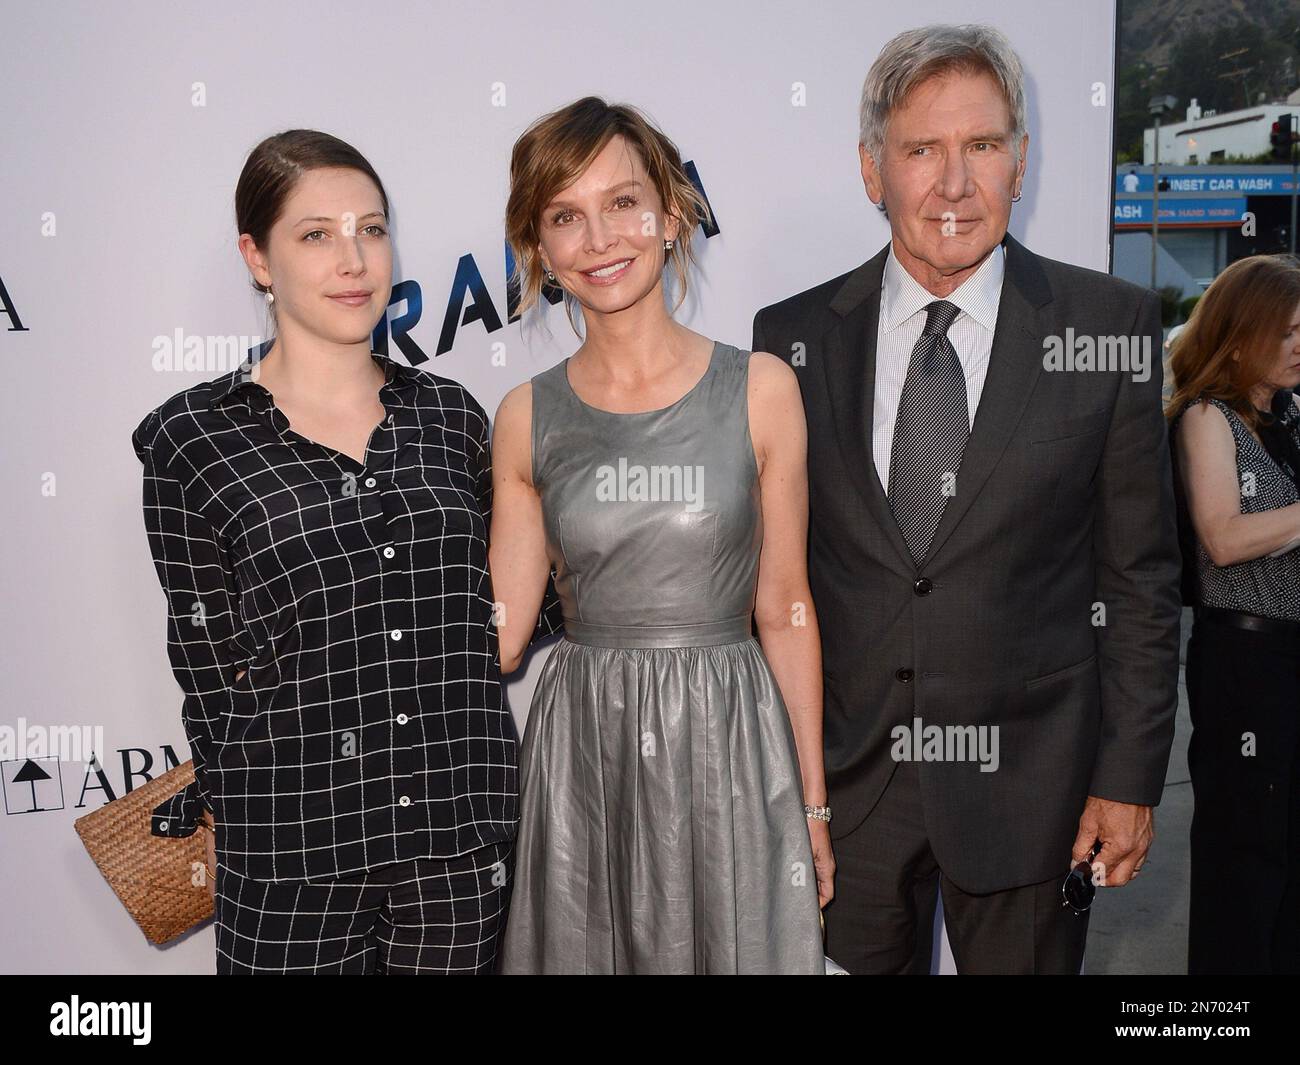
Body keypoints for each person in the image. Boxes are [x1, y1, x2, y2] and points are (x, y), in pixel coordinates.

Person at [752, 23, 1182, 974]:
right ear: (873, 170)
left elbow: (1141, 578)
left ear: (1020, 163)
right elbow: (781, 577)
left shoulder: (1106, 327)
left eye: (982, 146)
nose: (955, 183)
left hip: (1036, 794)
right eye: (921, 150)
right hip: (848, 792)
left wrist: (1127, 778)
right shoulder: (788, 338)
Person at [133, 129, 559, 973]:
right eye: (316, 234)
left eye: (371, 228)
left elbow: (513, 604)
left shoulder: (453, 416)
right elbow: (208, 666)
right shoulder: (192, 439)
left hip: (454, 844)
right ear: (258, 258)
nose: (353, 258)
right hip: (291, 854)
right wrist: (251, 823)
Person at [489, 97, 831, 974]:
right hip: (583, 755)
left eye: (624, 203)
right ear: (540, 249)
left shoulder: (760, 388)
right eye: (566, 215)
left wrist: (814, 810)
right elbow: (501, 630)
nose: (600, 237)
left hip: (730, 741)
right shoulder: (524, 417)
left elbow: (786, 606)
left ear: (672, 215)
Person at [1167, 254, 1300, 974]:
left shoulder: (1289, 416)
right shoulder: (1205, 418)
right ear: (1242, 334)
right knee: (1244, 856)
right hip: (1245, 665)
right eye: (1288, 332)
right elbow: (1221, 538)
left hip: (1289, 659)